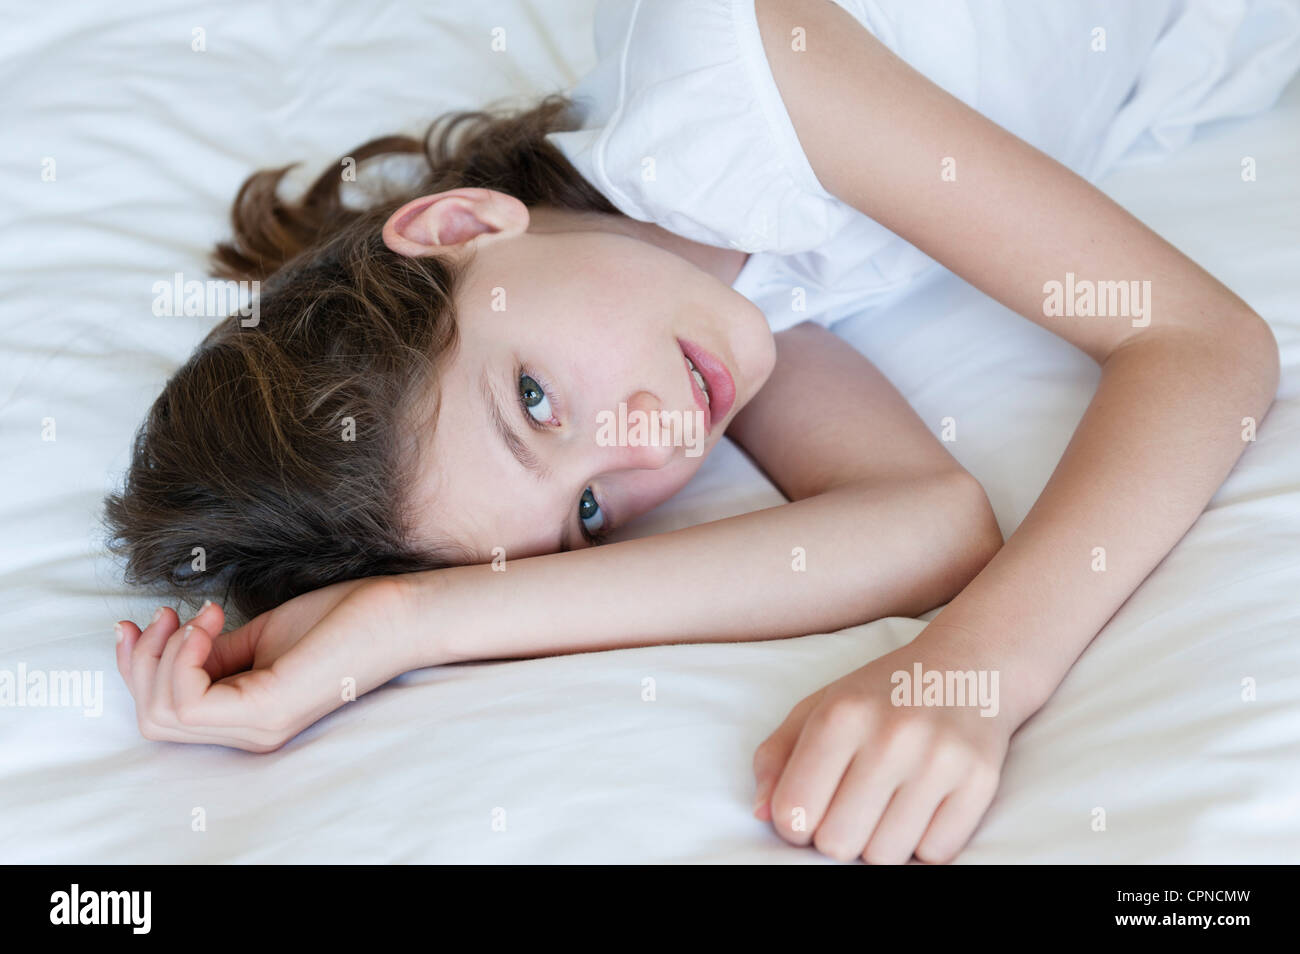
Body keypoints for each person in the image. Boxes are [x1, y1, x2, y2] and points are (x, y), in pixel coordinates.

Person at [105, 0, 1297, 863]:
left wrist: (975, 673)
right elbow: (925, 525)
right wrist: (402, 622)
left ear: (460, 222)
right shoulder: (703, 300)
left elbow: (1200, 345)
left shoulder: (740, 68)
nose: (655, 444)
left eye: (533, 403)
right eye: (584, 516)